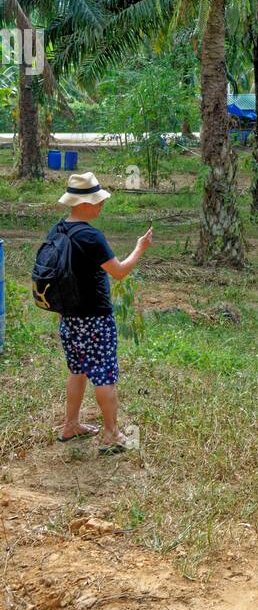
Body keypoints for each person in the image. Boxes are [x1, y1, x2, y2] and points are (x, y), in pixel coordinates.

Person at [49, 171, 152, 454]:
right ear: (83, 203)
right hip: (95, 318)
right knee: (105, 375)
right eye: (97, 201)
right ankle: (111, 434)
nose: (101, 205)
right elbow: (119, 272)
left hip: (69, 317)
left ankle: (70, 425)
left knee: (77, 370)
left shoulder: (58, 229)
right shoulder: (91, 236)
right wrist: (140, 248)